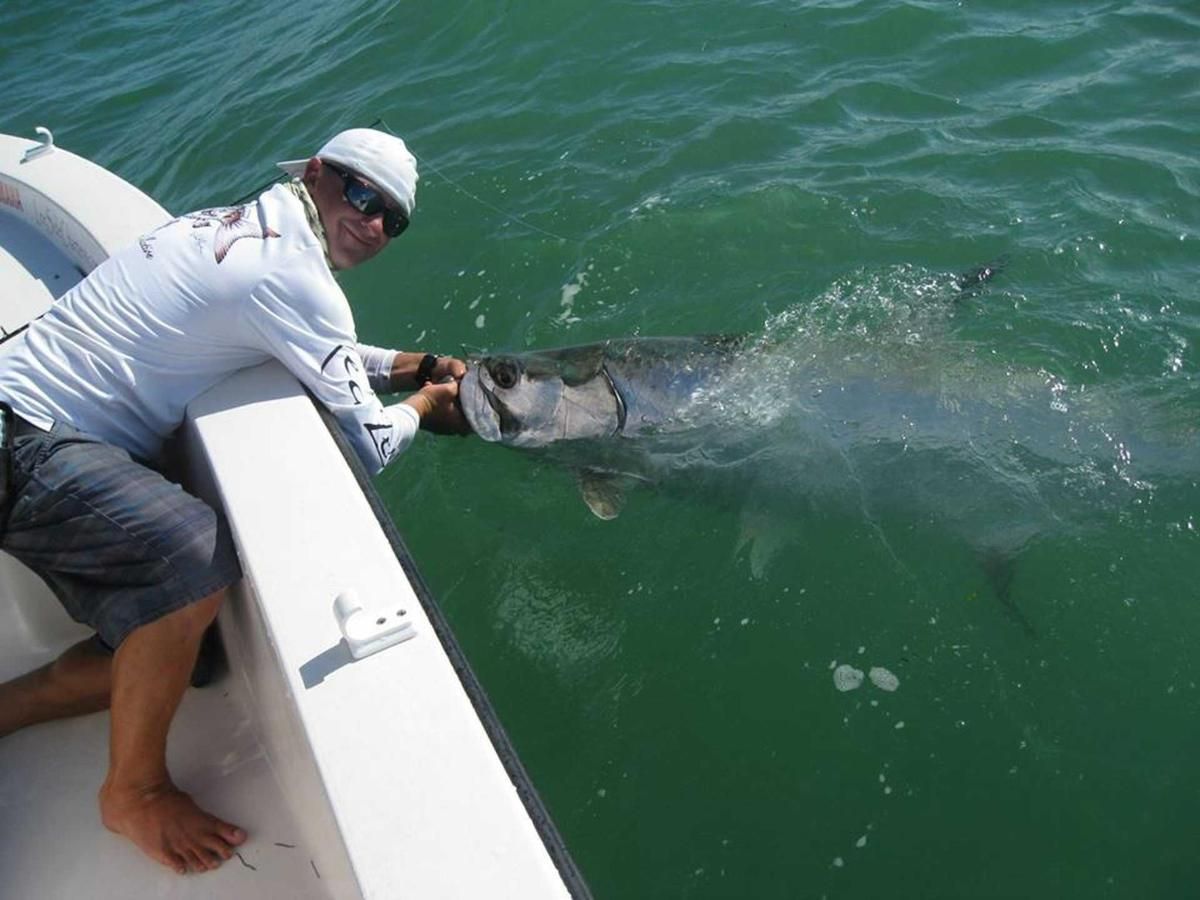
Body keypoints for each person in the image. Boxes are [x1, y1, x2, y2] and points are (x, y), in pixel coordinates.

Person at [0, 128, 467, 875]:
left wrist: (409, 364)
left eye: (393, 218)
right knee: (191, 558)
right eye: (362, 195)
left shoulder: (228, 223)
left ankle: (8, 709)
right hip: (25, 442)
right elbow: (368, 448)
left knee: (186, 649)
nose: (374, 224)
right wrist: (427, 403)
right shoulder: (296, 277)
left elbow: (319, 344)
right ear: (317, 173)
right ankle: (132, 791)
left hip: (22, 421)